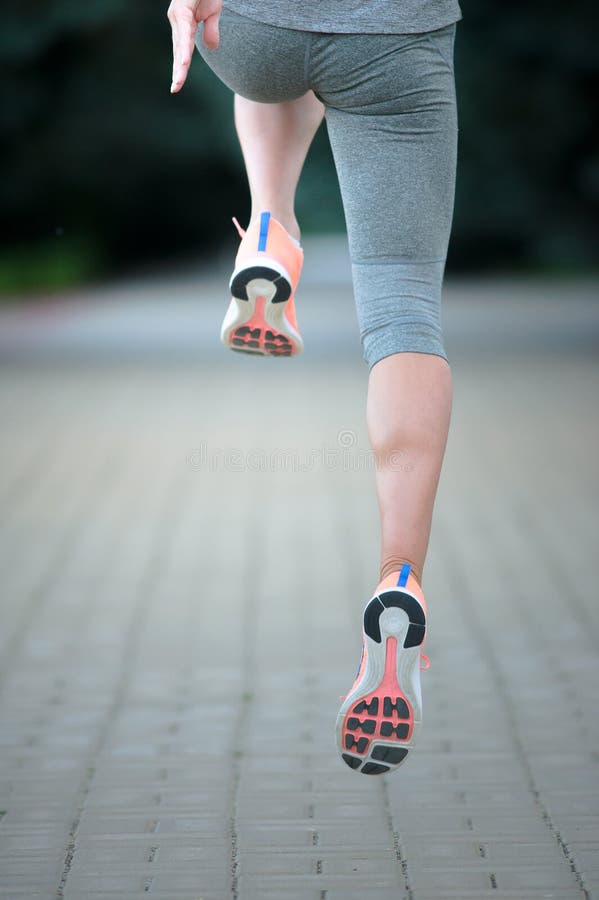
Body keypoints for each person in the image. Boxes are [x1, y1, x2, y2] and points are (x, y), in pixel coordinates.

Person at [168, 0, 461, 775]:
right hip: (398, 41)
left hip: (252, 30)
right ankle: (399, 577)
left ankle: (268, 223)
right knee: (403, 312)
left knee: (279, 64)